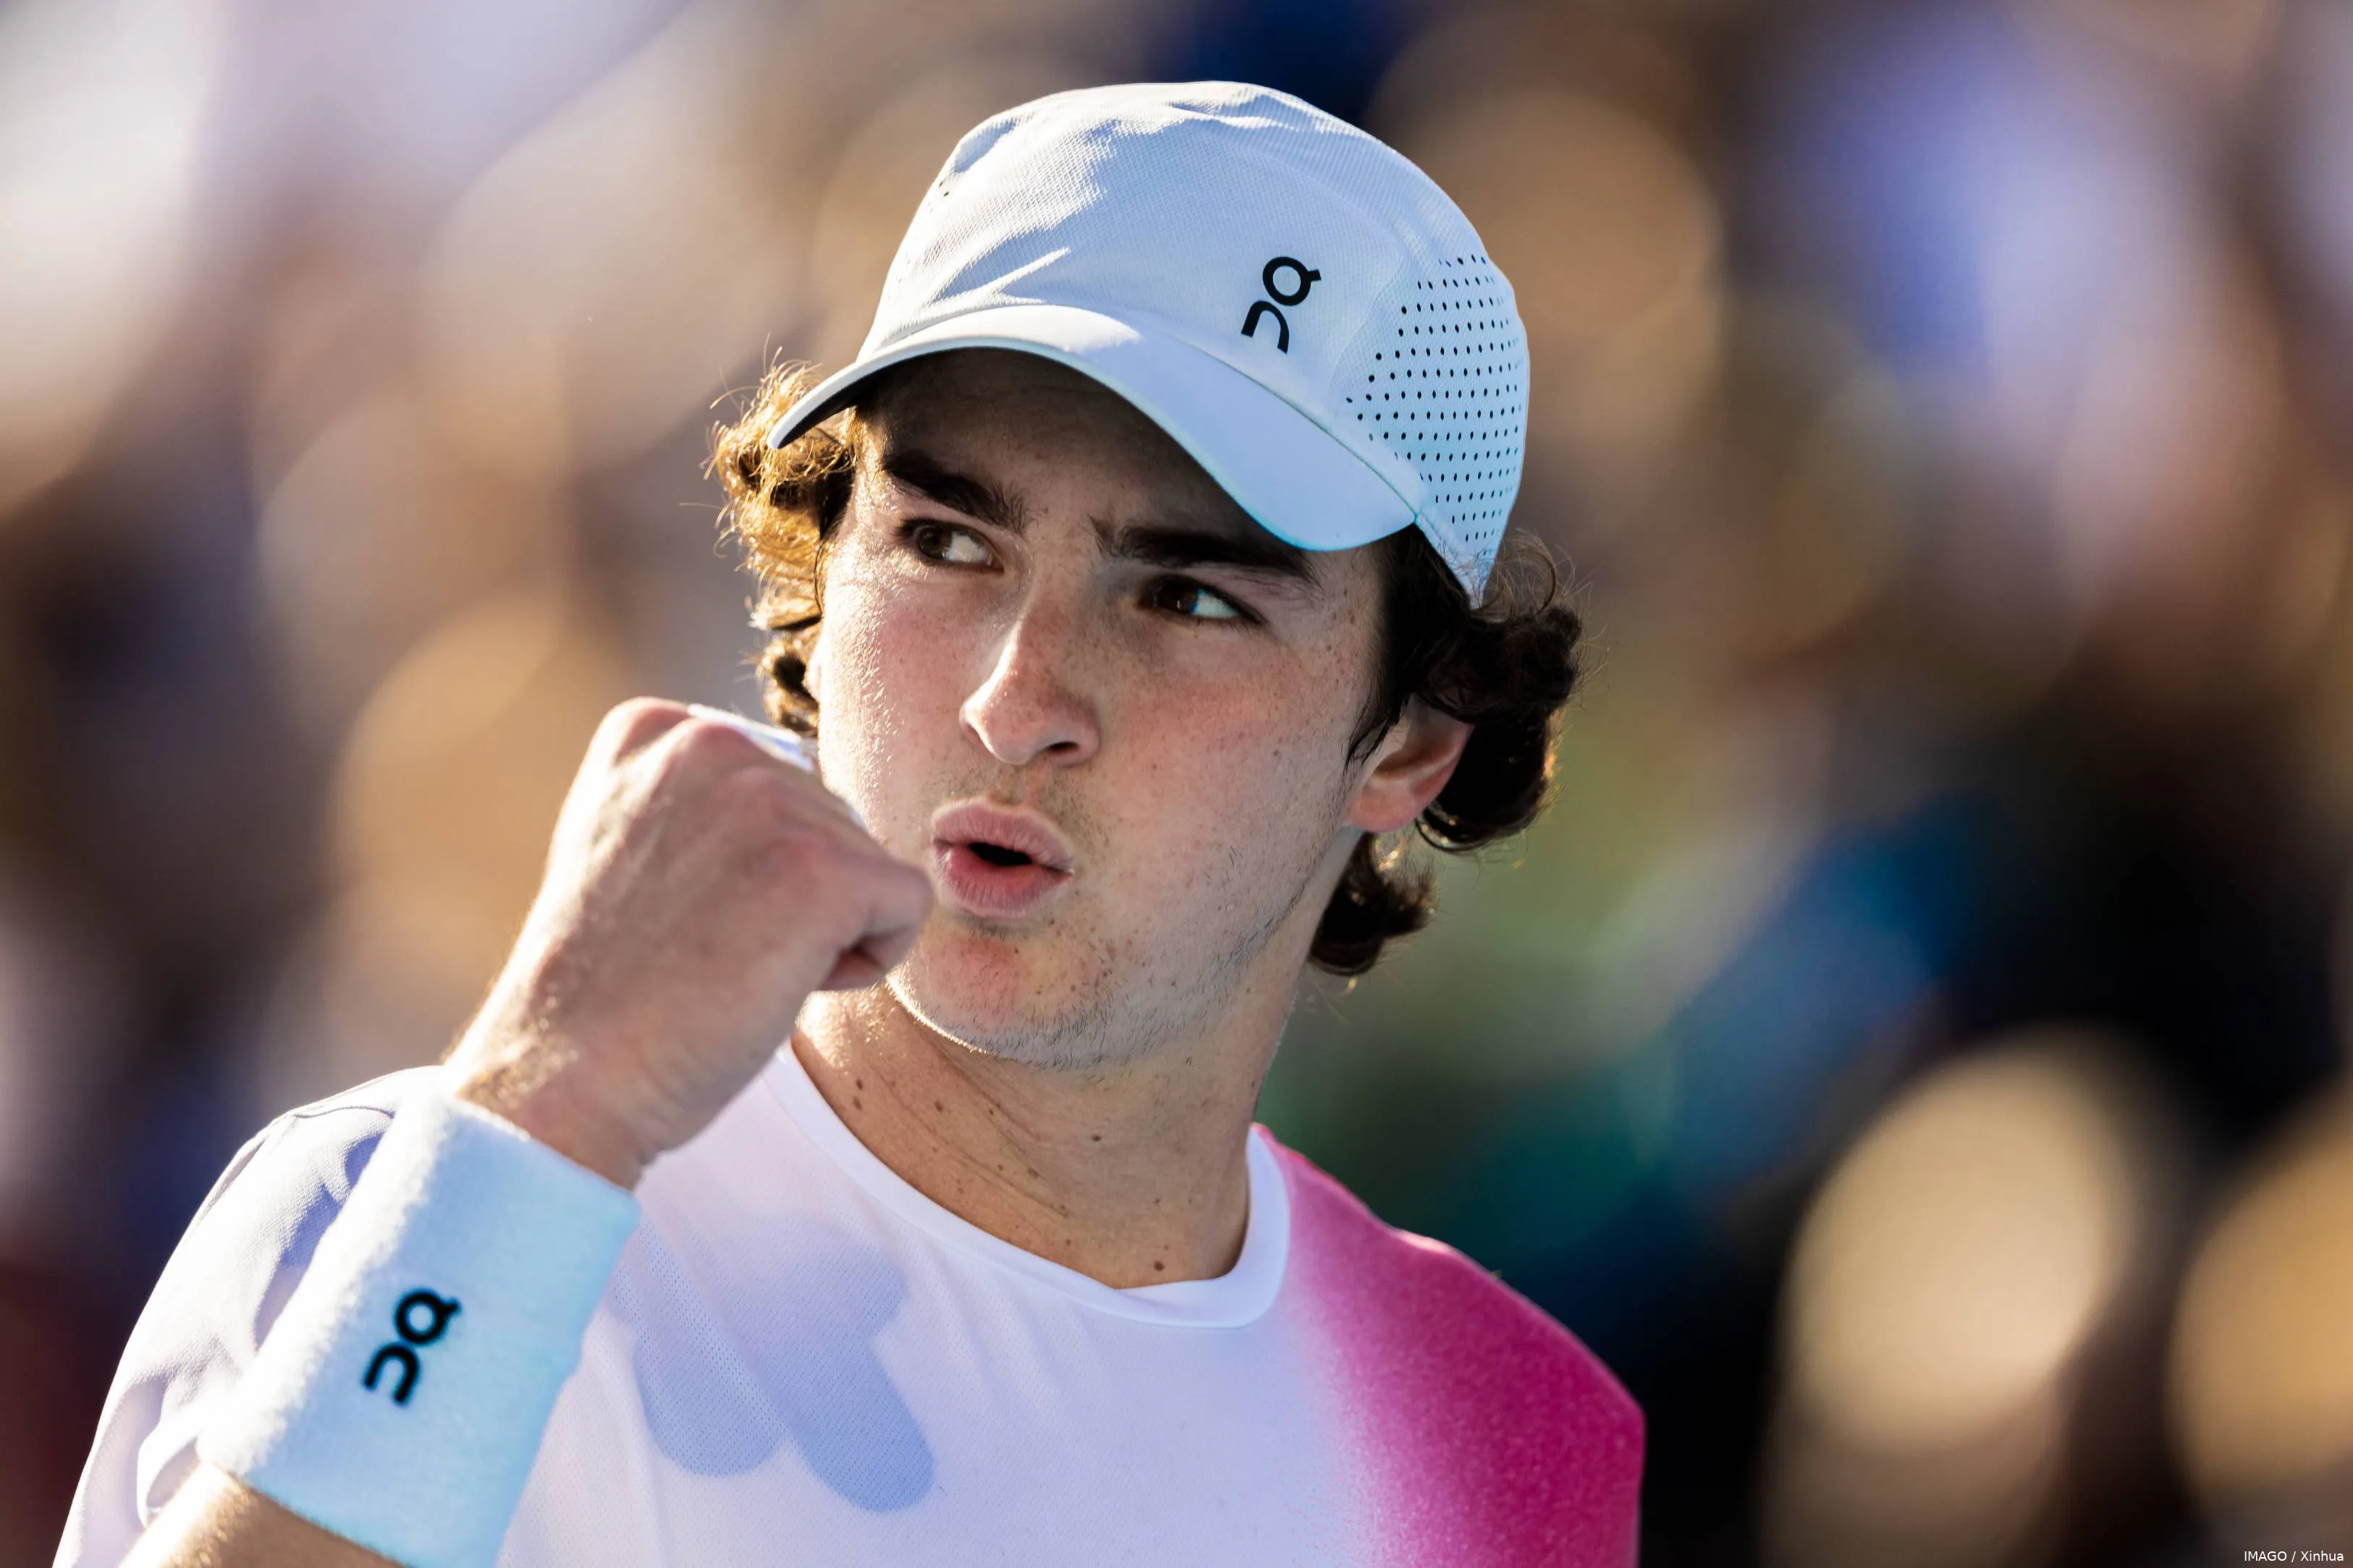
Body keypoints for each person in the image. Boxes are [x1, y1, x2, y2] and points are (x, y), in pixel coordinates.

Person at [59, 82, 1642, 1568]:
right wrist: (544, 1129)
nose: (1015, 701)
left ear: (1412, 738)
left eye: (1186, 597)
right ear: (821, 581)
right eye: (945, 543)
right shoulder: (412, 1221)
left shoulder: (1508, 1432)